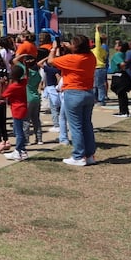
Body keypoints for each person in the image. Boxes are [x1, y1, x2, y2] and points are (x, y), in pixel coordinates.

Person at [48, 35, 97, 166]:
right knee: (87, 125)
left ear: (76, 47)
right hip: (88, 92)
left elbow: (51, 61)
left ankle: (78, 156)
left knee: (76, 127)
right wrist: (70, 47)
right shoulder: (91, 57)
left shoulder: (71, 58)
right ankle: (90, 155)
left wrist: (54, 49)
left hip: (73, 93)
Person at [2, 64, 30, 161]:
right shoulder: (23, 82)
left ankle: (18, 151)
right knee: (19, 130)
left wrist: (3, 83)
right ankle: (22, 150)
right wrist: (26, 67)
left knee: (18, 132)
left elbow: (3, 95)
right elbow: (27, 76)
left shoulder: (13, 86)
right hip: (23, 108)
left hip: (17, 110)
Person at [91, 25, 109, 106]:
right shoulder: (94, 50)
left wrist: (97, 31)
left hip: (99, 68)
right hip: (95, 68)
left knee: (99, 85)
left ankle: (101, 100)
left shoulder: (99, 49)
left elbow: (98, 41)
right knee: (94, 85)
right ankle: (95, 99)